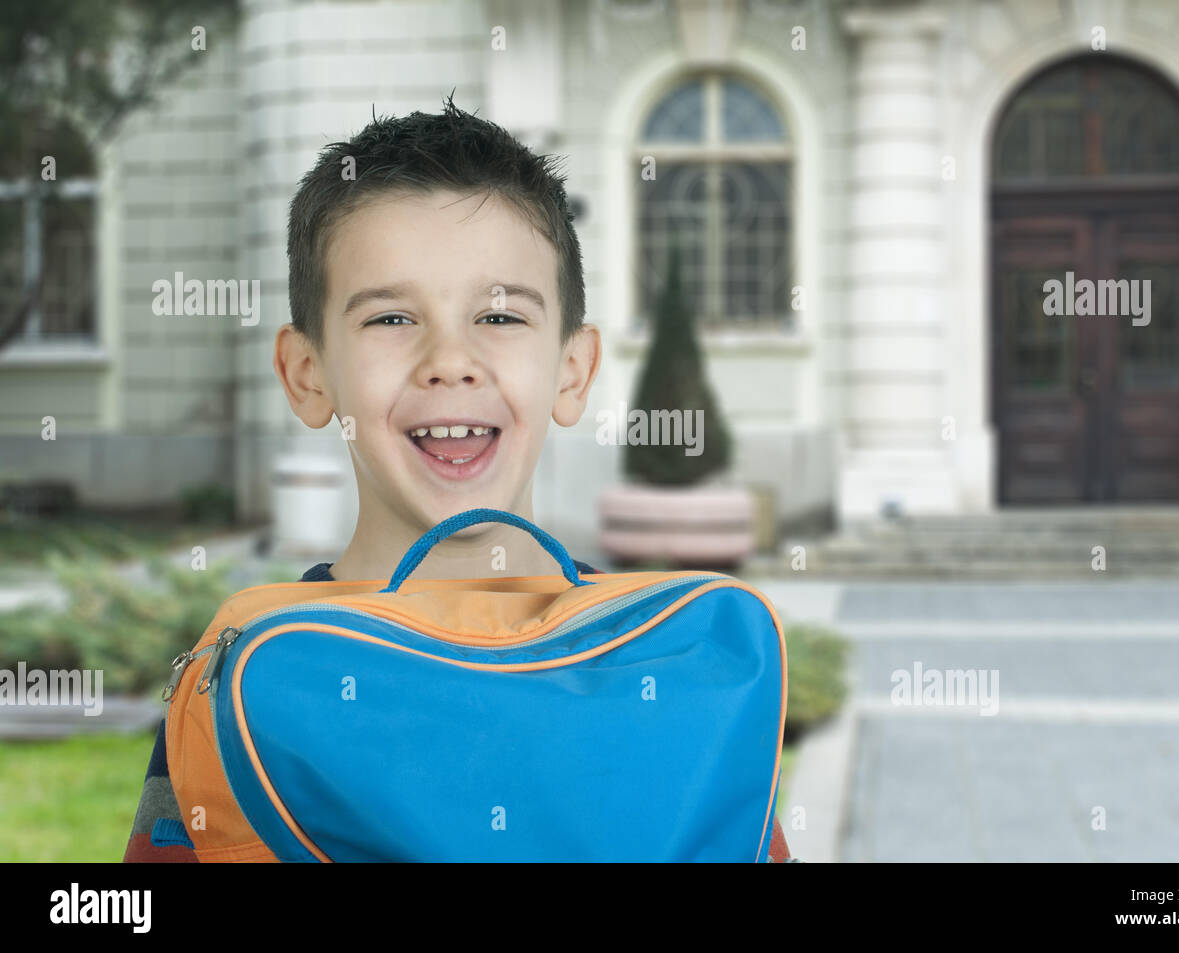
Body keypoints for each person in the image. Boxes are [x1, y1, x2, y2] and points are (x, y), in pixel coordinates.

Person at [124, 94, 794, 862]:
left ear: (573, 373)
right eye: (390, 318)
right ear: (306, 374)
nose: (450, 360)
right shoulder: (243, 686)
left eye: (501, 317)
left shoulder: (673, 669)